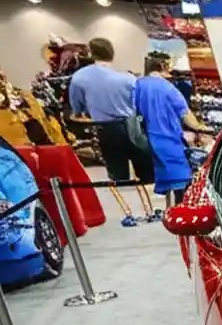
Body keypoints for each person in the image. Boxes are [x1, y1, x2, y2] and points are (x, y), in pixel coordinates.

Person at [68, 37, 155, 225]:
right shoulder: (129, 78)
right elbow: (139, 104)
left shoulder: (80, 77)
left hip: (105, 127)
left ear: (91, 53)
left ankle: (127, 213)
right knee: (146, 172)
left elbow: (77, 107)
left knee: (118, 176)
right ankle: (151, 210)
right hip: (132, 125)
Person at [133, 53, 213, 205]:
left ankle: (168, 210)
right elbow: (187, 116)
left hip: (147, 139)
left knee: (165, 180)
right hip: (169, 140)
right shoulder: (168, 88)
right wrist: (202, 128)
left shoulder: (138, 85)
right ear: (162, 68)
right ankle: (177, 212)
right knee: (179, 181)